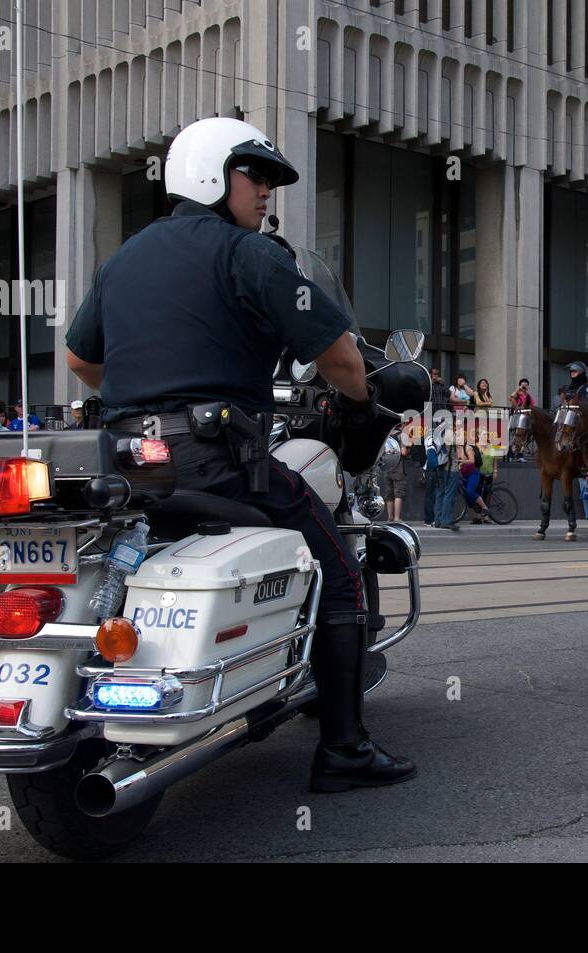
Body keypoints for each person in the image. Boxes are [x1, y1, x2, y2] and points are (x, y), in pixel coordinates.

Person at [64, 115, 414, 792]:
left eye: (269, 181)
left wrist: (147, 397)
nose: (266, 193)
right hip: (218, 457)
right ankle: (344, 748)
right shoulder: (252, 254)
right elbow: (340, 356)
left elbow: (81, 358)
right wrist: (360, 398)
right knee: (338, 570)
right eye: (254, 175)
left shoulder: (124, 257)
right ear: (209, 173)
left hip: (128, 461)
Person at [384, 435, 409, 522]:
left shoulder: (388, 436)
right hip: (398, 468)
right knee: (399, 493)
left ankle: (390, 517)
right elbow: (403, 452)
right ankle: (396, 517)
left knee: (389, 494)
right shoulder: (402, 436)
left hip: (387, 467)